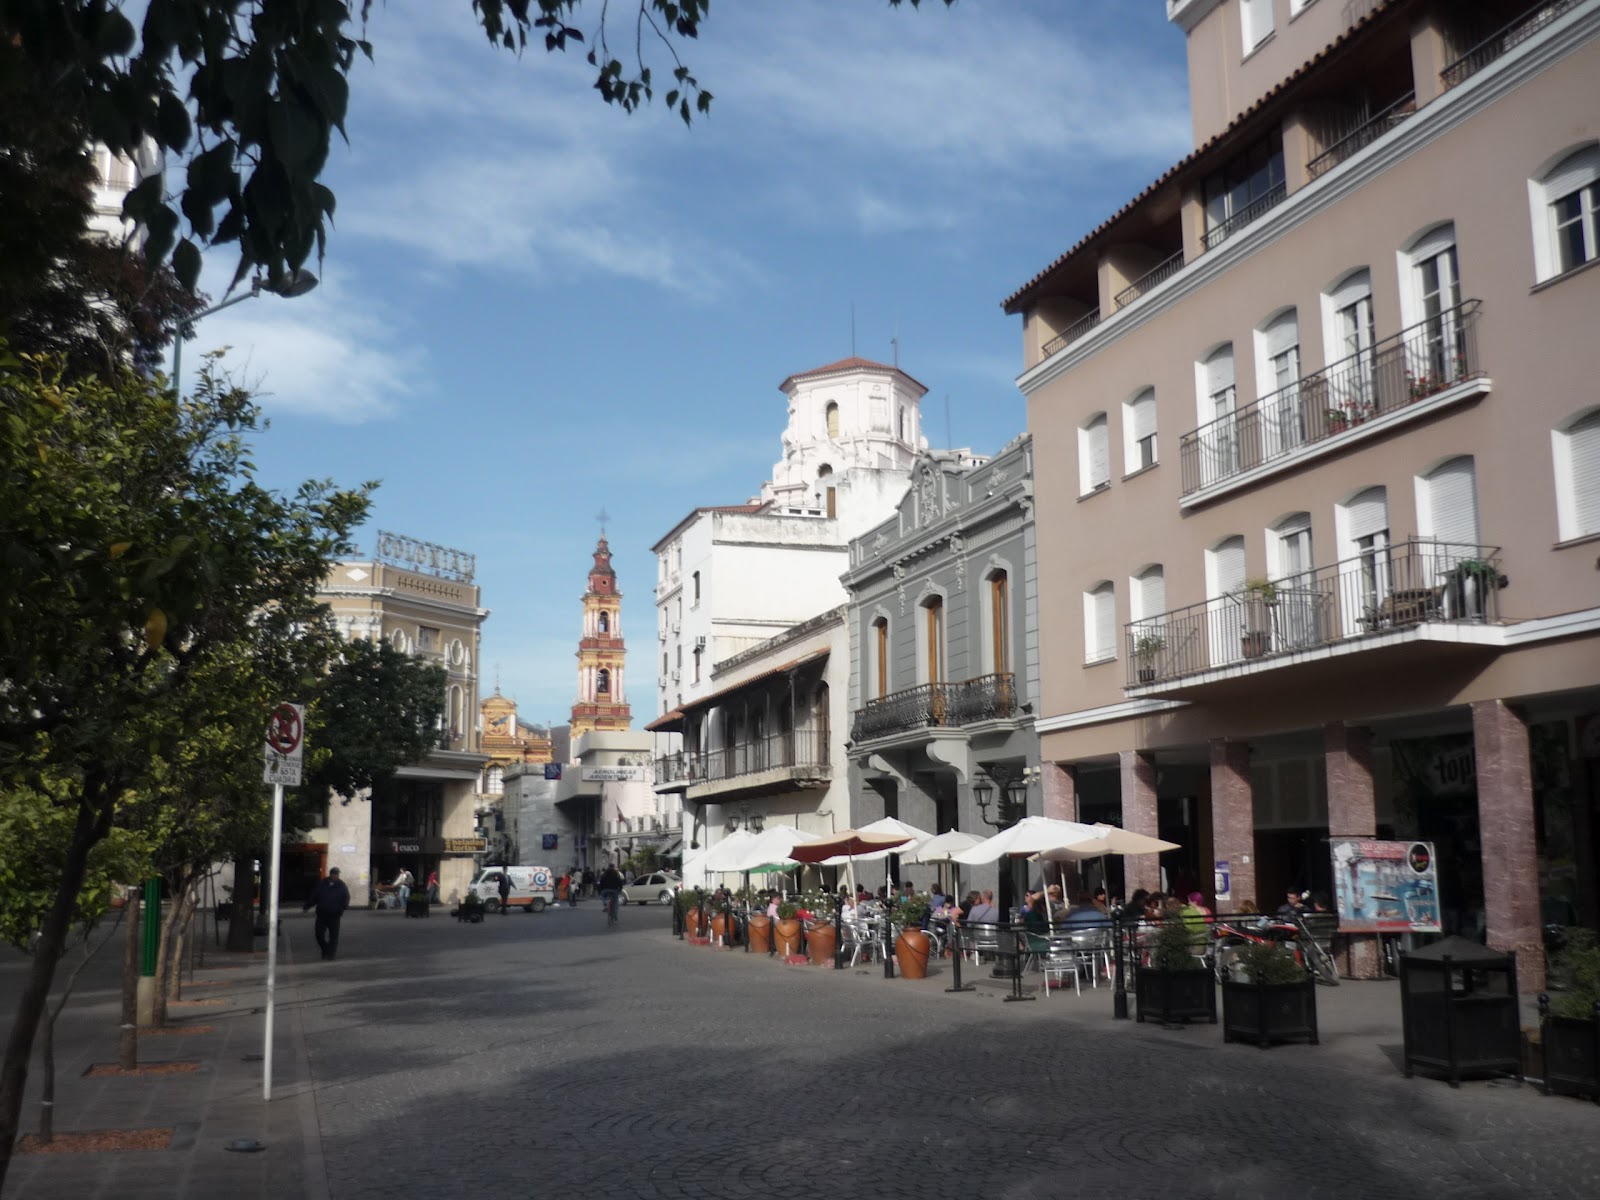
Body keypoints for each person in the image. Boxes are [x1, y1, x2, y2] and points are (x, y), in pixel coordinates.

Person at [303, 866, 350, 960]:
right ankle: (325, 949)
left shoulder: (341, 885)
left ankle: (331, 955)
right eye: (335, 874)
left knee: (334, 936)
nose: (336, 876)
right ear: (331, 874)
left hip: (334, 914)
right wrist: (307, 906)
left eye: (337, 874)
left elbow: (346, 897)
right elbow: (315, 896)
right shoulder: (322, 884)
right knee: (319, 934)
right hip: (322, 914)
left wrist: (342, 908)